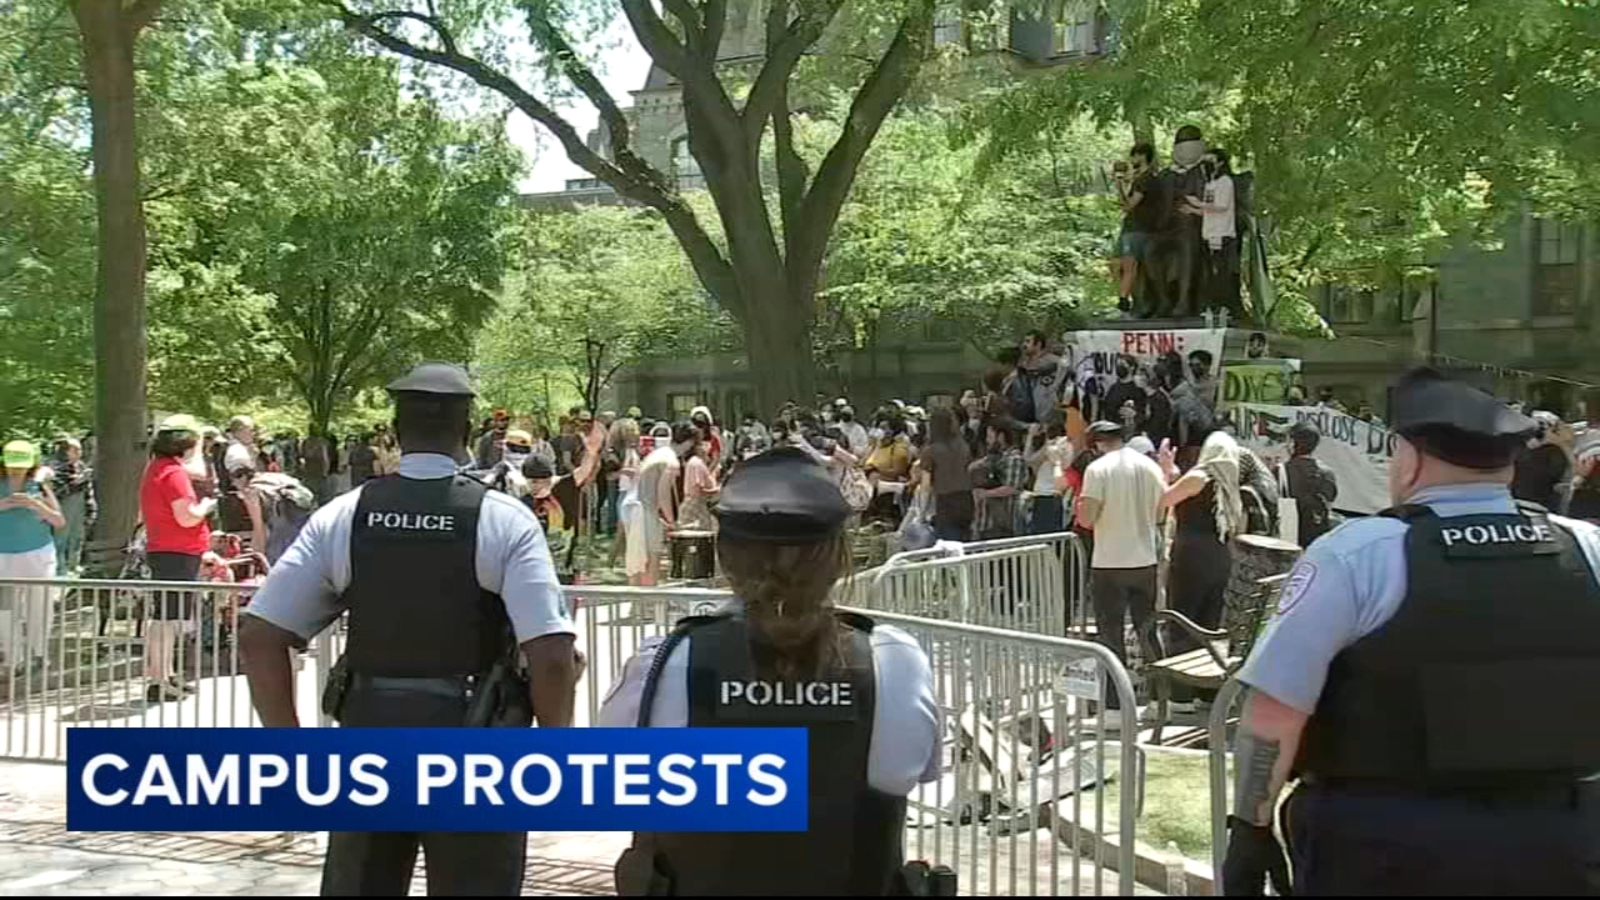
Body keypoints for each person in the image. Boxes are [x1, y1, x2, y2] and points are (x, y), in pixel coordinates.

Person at [1222, 367, 1600, 896]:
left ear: (1411, 458)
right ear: (1509, 463)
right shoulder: (1586, 548)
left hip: (1383, 848)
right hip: (1559, 844)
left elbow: (1273, 715)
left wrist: (1250, 828)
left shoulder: (1355, 555)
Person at [238, 362, 580, 896]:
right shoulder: (504, 519)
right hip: (479, 748)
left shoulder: (345, 515)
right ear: (467, 436)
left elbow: (261, 635)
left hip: (369, 743)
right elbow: (553, 655)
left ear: (396, 434)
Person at [601, 447, 942, 896]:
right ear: (840, 557)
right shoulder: (894, 663)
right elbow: (913, 770)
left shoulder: (663, 665)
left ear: (723, 556)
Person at [1076, 421, 1166, 715]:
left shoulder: (1098, 470)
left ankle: (1115, 707)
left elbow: (1087, 519)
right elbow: (1162, 510)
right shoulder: (1151, 467)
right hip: (1145, 559)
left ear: (1097, 443)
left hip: (1109, 562)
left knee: (1110, 635)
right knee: (1148, 631)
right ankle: (1158, 701)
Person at [1156, 431, 1244, 708]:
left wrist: (1163, 472)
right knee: (1209, 624)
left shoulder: (1199, 476)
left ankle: (1180, 695)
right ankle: (1207, 693)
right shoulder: (1230, 486)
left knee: (1182, 620)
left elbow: (1163, 501)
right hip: (1220, 557)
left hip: (1191, 556)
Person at [139, 415, 214, 703]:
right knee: (166, 619)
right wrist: (205, 507)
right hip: (176, 551)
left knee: (167, 617)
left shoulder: (157, 468)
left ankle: (165, 676)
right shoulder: (173, 473)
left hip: (169, 550)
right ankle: (159, 679)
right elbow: (185, 517)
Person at [0, 440, 63, 675]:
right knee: (6, 610)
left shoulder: (40, 485)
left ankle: (38, 655)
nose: (17, 470)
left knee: (41, 607)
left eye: (21, 466)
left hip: (37, 554)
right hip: (4, 555)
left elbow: (58, 520)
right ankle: (13, 658)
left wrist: (37, 505)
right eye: (13, 465)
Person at [1183, 147, 1238, 316]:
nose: (1206, 164)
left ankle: (1225, 307)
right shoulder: (1210, 184)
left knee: (1221, 272)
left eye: (1210, 160)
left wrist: (1197, 203)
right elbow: (1209, 210)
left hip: (1222, 234)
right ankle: (1212, 307)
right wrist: (1192, 209)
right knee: (1210, 273)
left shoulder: (1225, 182)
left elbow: (1221, 206)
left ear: (1220, 163)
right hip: (1209, 233)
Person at [630, 423, 686, 586]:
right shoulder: (671, 461)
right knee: (653, 556)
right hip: (647, 510)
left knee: (637, 558)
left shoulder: (655, 455)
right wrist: (671, 521)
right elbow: (663, 495)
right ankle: (650, 600)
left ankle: (637, 598)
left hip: (634, 507)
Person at [1114, 142, 1160, 314]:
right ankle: (1129, 300)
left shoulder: (1146, 179)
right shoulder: (1141, 178)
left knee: (1129, 266)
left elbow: (1129, 205)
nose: (1132, 159)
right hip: (1134, 227)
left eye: (1134, 155)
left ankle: (1124, 302)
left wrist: (1119, 186)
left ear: (1142, 156)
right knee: (1122, 266)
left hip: (1137, 228)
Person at [919, 407, 974, 542]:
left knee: (948, 546)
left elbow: (925, 486)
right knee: (965, 543)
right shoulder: (964, 446)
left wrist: (922, 513)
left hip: (946, 502)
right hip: (967, 499)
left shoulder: (930, 451)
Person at [1283, 422, 1339, 546]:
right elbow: (1330, 501)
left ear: (1293, 443)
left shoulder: (1282, 471)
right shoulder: (1327, 473)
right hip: (1316, 537)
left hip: (1287, 537)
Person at [48, 436, 96, 576]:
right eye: (74, 449)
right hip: (62, 506)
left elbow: (88, 489)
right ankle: (59, 568)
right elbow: (56, 490)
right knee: (61, 538)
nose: (78, 452)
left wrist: (91, 507)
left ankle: (73, 565)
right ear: (66, 450)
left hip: (80, 507)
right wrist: (78, 480)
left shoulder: (81, 466)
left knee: (77, 536)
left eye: (79, 449)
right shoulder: (55, 466)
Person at [1511, 411, 1572, 513]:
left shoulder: (1555, 451)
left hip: (1544, 506)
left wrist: (1561, 443)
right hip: (1525, 504)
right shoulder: (1520, 449)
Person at [1025, 422, 1072, 534]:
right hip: (1043, 495)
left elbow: (1029, 459)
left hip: (1050, 496)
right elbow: (1029, 460)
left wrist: (1032, 436)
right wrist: (1031, 437)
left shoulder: (1060, 446)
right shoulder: (1050, 447)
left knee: (1047, 535)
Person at [1172, 349, 1219, 449]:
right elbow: (1172, 399)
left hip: (1209, 428)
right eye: (1191, 365)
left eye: (1198, 365)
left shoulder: (1215, 384)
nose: (1194, 368)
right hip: (1189, 431)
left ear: (1207, 366)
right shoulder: (1187, 385)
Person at [1101, 355, 1149, 436]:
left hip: (1128, 431)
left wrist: (1135, 415)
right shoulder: (1114, 387)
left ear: (1132, 367)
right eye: (1118, 364)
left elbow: (1143, 412)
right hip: (1111, 430)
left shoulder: (1137, 389)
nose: (1119, 367)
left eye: (1123, 364)